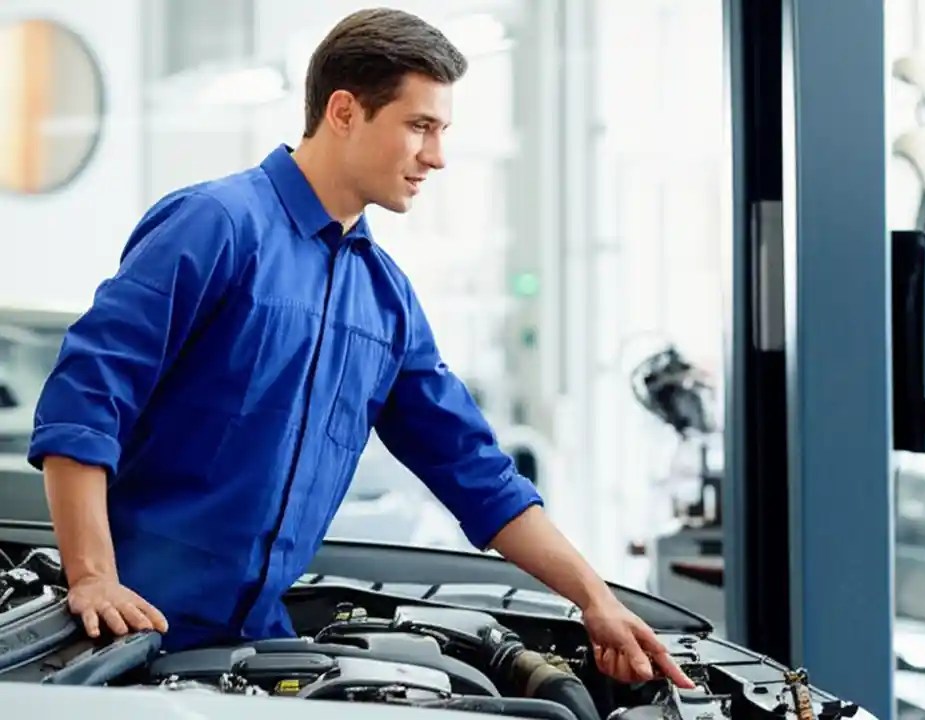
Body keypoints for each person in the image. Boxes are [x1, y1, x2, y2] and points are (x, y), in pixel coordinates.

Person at [25, 8, 693, 689]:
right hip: (123, 645)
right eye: (419, 126)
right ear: (344, 111)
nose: (436, 156)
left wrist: (596, 600)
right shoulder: (216, 224)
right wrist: (93, 578)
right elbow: (86, 398)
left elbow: (477, 473)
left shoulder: (385, 299)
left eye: (441, 131)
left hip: (249, 655)